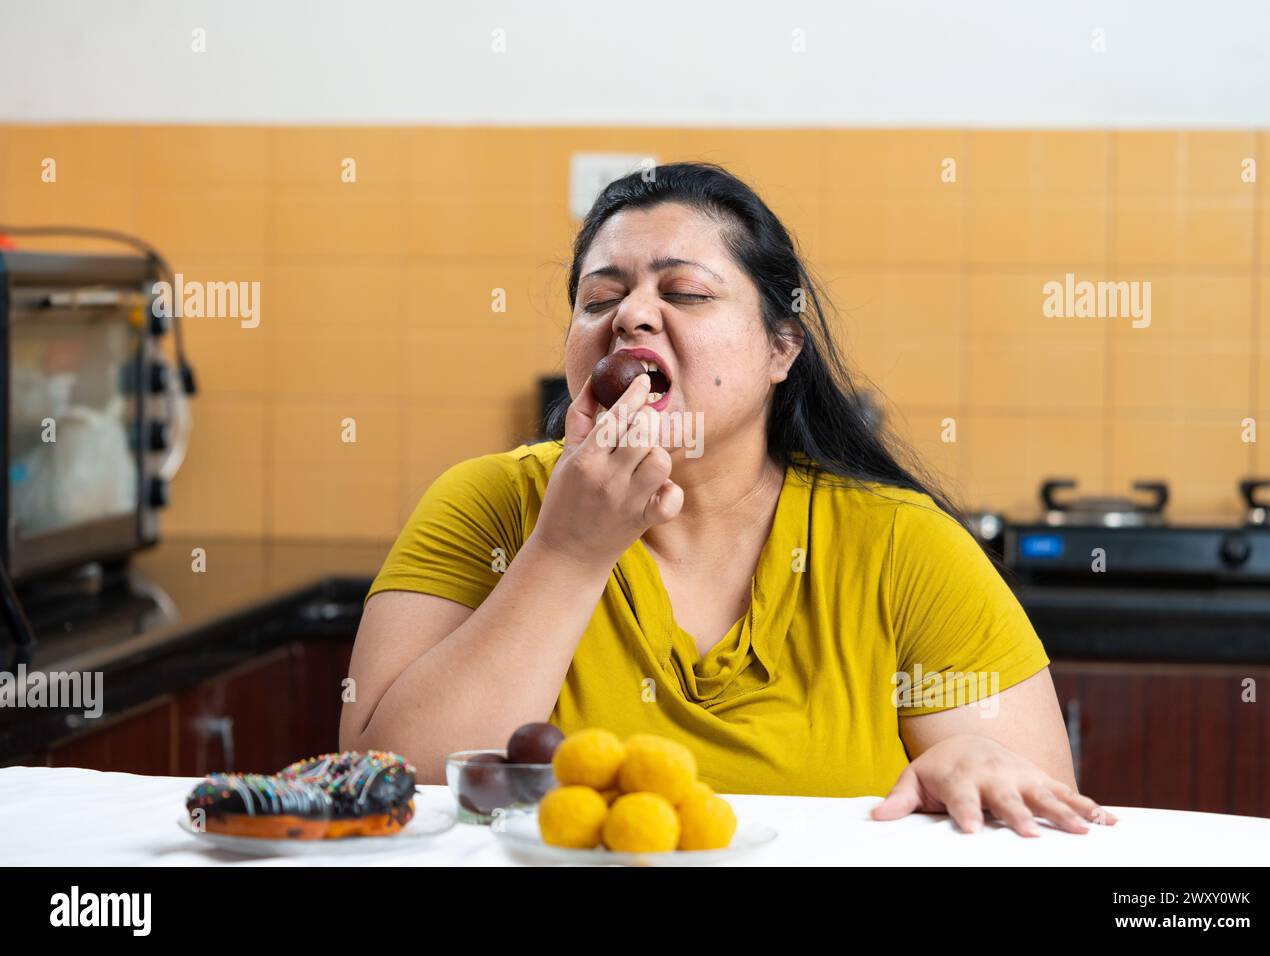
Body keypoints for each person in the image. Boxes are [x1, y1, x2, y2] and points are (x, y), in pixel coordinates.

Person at [342, 162, 1117, 837]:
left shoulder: (904, 547)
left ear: (783, 348)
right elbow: (390, 789)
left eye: (686, 291)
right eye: (598, 298)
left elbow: (1036, 822)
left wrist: (973, 759)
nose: (631, 316)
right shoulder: (485, 505)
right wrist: (569, 552)